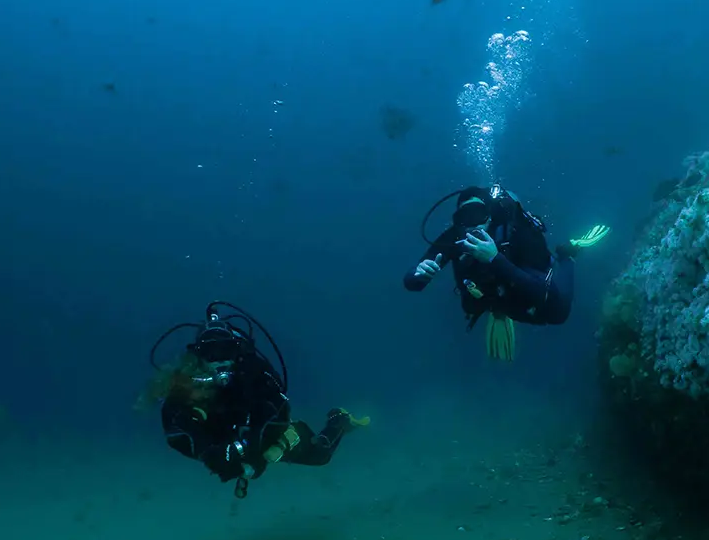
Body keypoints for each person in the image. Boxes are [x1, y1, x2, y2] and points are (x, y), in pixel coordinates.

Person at [146, 302, 368, 497]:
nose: (219, 360)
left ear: (237, 350)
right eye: (210, 353)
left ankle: (338, 419)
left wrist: (250, 450)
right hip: (222, 440)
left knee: (321, 456)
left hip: (263, 436)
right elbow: (175, 429)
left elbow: (279, 408)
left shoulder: (253, 370)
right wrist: (208, 453)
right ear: (197, 355)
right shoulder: (186, 381)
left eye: (226, 351)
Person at [403, 184, 608, 360]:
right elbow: (412, 283)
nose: (473, 224)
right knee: (475, 303)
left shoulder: (515, 233)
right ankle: (499, 310)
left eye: (479, 214)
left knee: (558, 313)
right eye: (465, 217)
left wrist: (494, 258)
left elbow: (547, 297)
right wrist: (419, 275)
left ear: (490, 217)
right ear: (458, 222)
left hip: (527, 288)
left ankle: (567, 253)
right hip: (494, 298)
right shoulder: (455, 236)